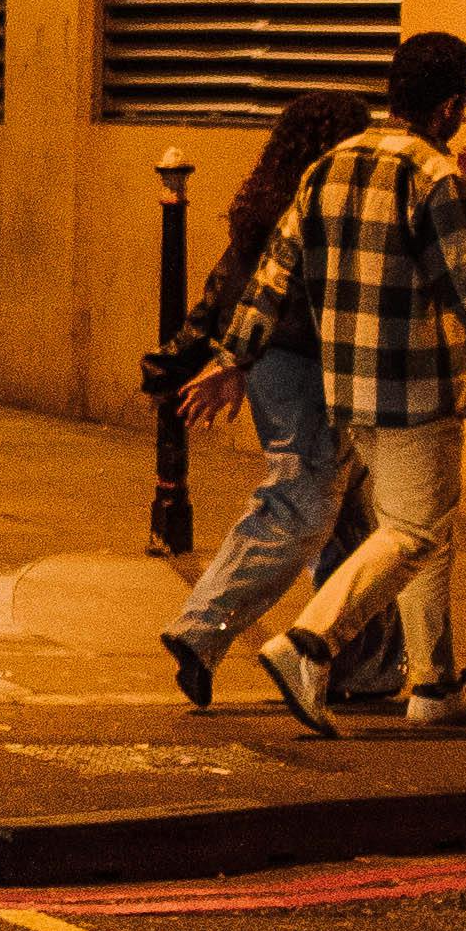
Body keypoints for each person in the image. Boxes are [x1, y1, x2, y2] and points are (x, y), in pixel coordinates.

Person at [157, 30, 466, 731]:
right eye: (464, 105)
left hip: (346, 390)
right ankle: (308, 644)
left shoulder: (331, 168)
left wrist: (231, 359)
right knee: (409, 531)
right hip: (416, 388)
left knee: (421, 530)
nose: (465, 116)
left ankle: (434, 684)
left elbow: (271, 276)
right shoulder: (436, 178)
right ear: (444, 108)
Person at [157, 80, 384, 714]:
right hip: (307, 364)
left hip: (270, 363)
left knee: (352, 513)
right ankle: (202, 629)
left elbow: (227, 281)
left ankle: (362, 663)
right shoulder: (323, 204)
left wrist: (217, 353)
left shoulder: (263, 197)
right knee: (300, 503)